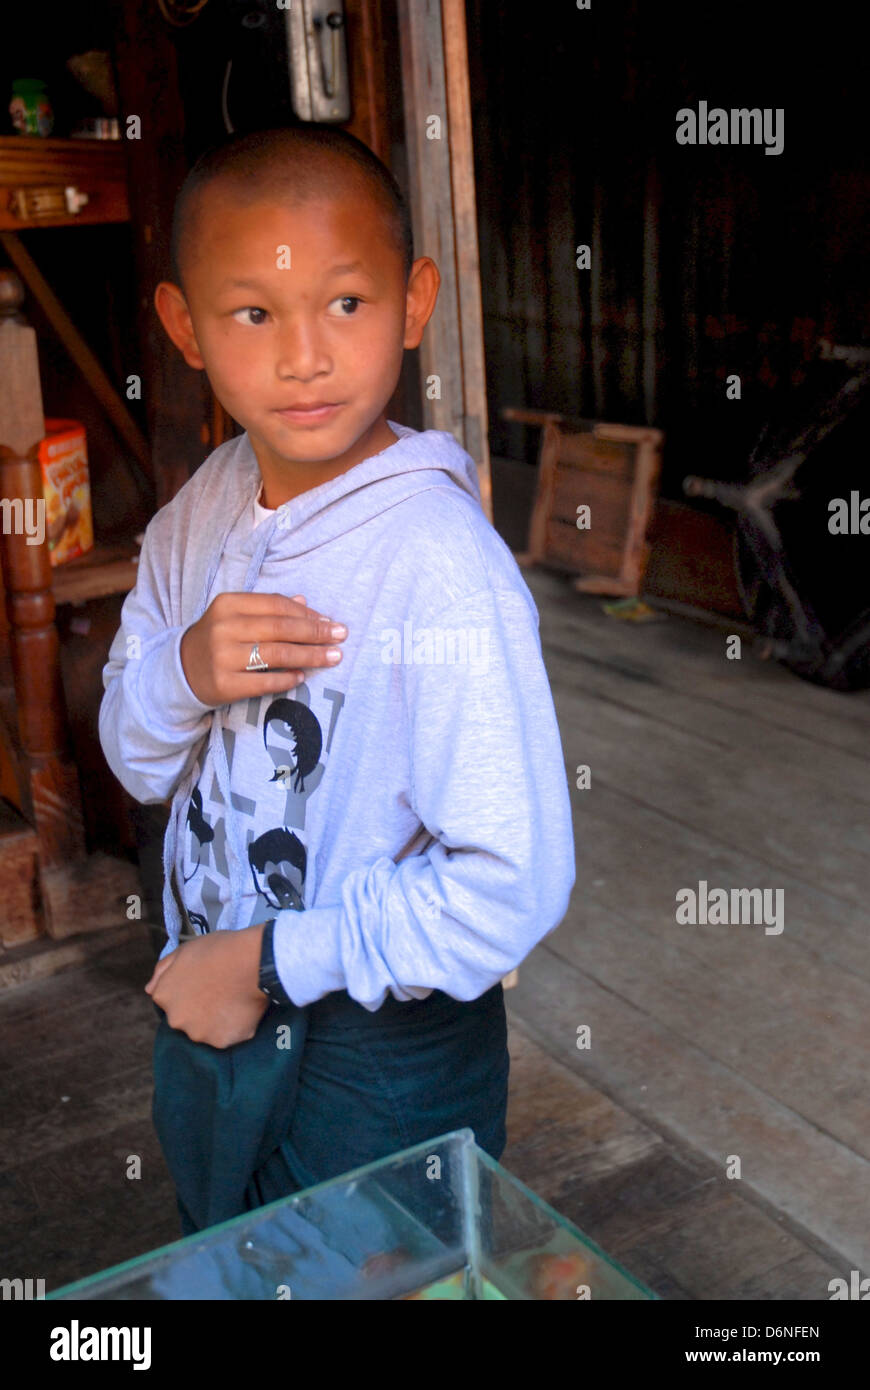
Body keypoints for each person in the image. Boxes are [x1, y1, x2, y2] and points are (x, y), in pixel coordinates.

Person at [99, 124, 575, 1240]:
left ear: (414, 304)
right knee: (225, 1249)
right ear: (185, 326)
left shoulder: (439, 567)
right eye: (255, 314)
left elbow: (509, 887)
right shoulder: (195, 522)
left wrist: (271, 957)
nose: (305, 355)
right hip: (208, 1005)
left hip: (377, 1055)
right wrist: (182, 674)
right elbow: (135, 756)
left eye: (346, 304)